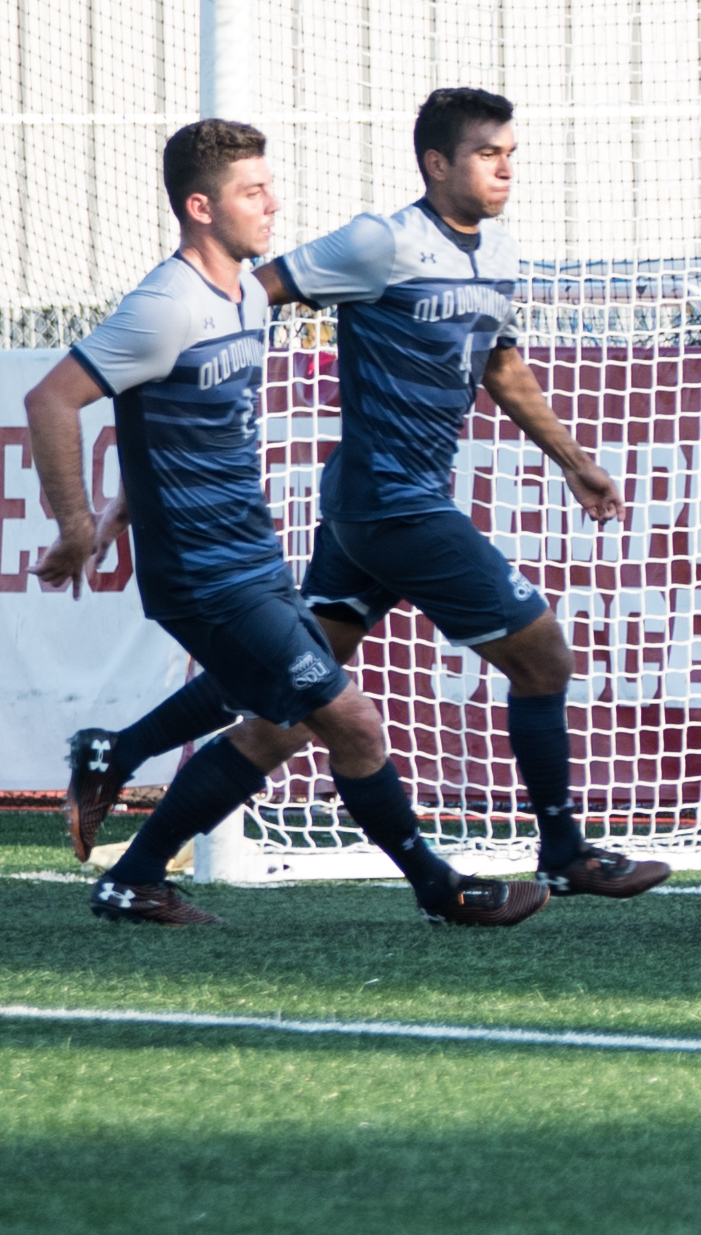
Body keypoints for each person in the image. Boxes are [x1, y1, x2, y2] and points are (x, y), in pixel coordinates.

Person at [59, 89, 668, 900]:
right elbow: (250, 294)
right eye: (489, 153)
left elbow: (498, 363)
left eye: (512, 153)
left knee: (283, 715)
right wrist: (149, 472)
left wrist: (571, 459)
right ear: (437, 162)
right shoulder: (380, 241)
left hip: (368, 513)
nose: (506, 168)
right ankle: (557, 852)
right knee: (542, 655)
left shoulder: (503, 251)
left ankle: (128, 819)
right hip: (392, 504)